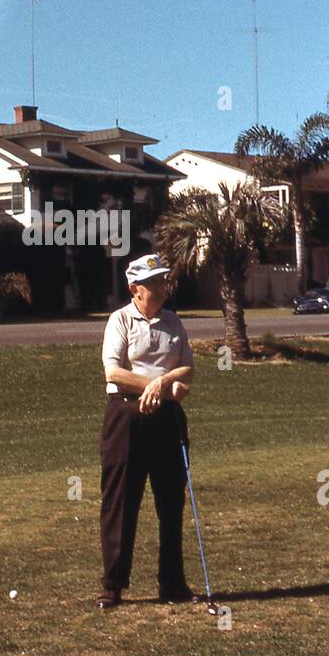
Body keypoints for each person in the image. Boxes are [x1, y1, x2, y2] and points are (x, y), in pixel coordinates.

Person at [96, 252, 197, 610]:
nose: (162, 286)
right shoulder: (120, 320)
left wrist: (164, 383)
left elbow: (187, 369)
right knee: (121, 502)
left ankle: (172, 582)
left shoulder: (173, 321)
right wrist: (153, 385)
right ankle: (113, 584)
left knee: (171, 502)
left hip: (167, 416)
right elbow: (113, 373)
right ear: (134, 288)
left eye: (164, 280)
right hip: (126, 416)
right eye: (155, 282)